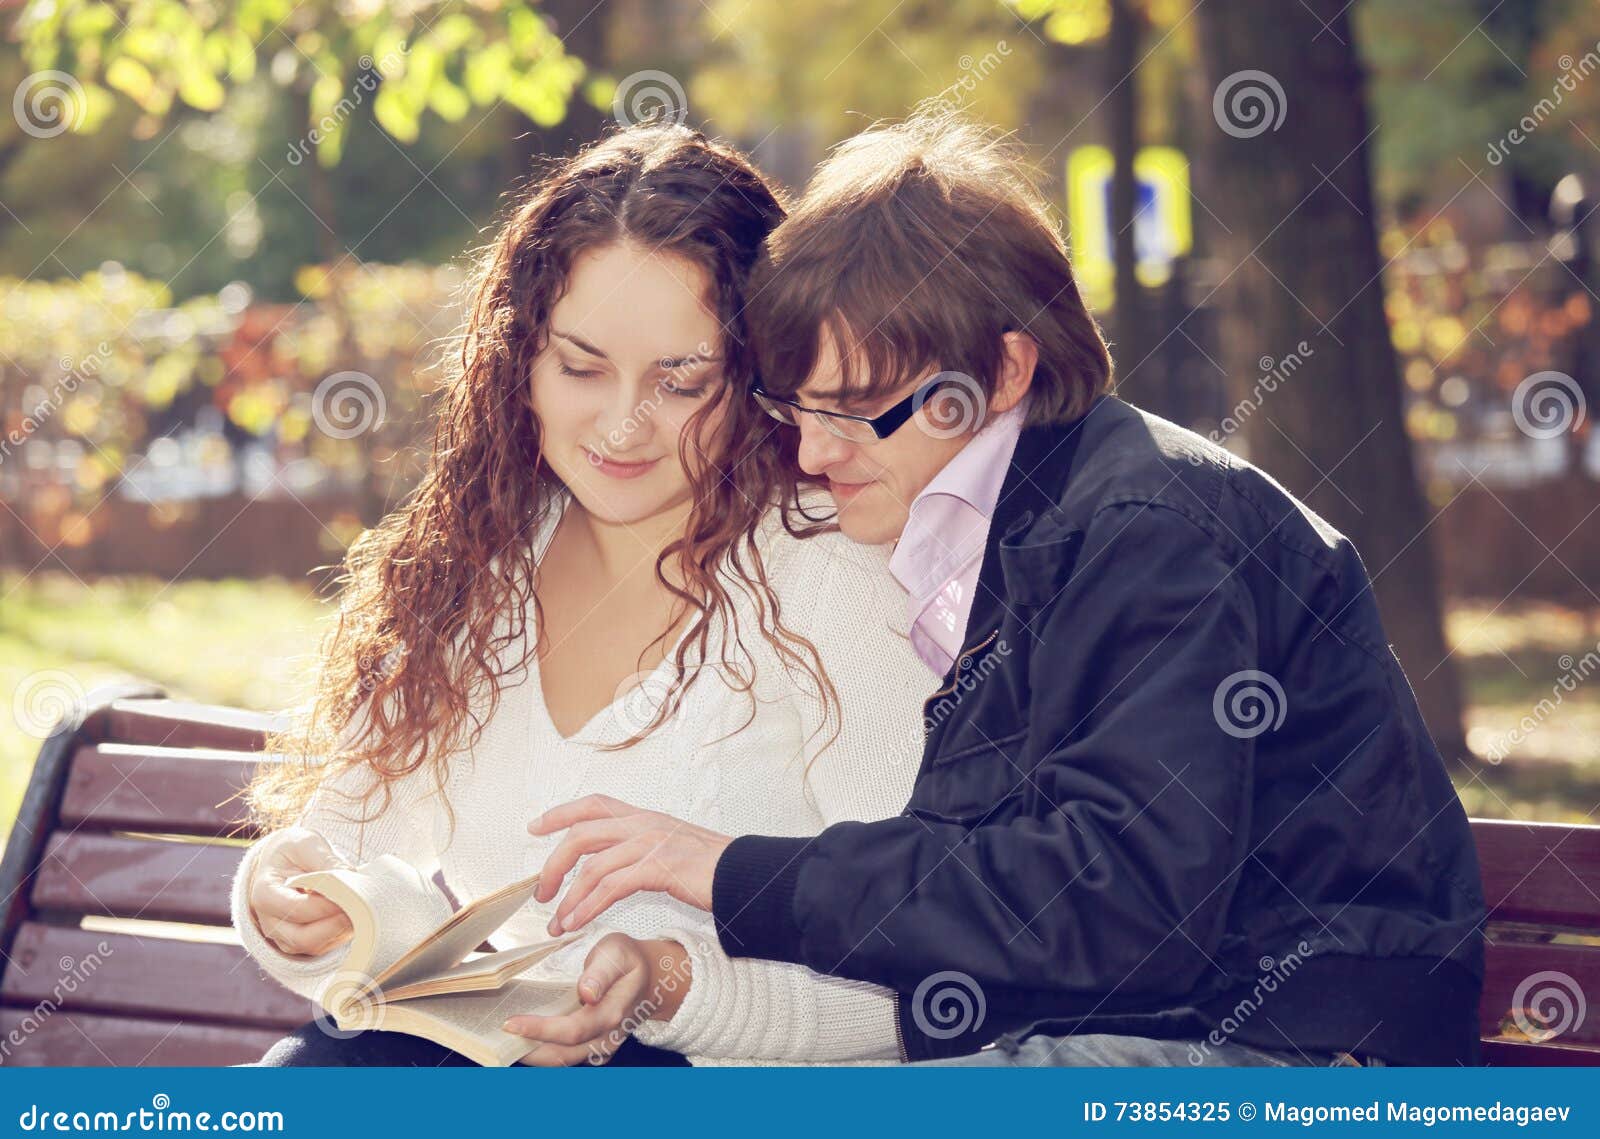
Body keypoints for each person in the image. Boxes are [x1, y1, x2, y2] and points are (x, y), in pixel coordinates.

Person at [530, 110, 1489, 1067]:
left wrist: (731, 871)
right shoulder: (1006, 534)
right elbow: (994, 902)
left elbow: (1123, 903)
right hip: (1150, 1034)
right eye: (800, 409)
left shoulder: (1148, 535)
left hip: (1302, 1056)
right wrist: (670, 974)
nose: (814, 453)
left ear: (1003, 370)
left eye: (857, 411)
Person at [231, 121, 938, 1067]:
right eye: (581, 366)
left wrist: (670, 984)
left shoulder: (832, 574)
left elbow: (921, 974)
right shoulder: (474, 566)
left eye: (681, 381)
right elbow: (340, 849)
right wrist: (290, 896)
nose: (623, 424)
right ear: (519, 358)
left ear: (756, 375)